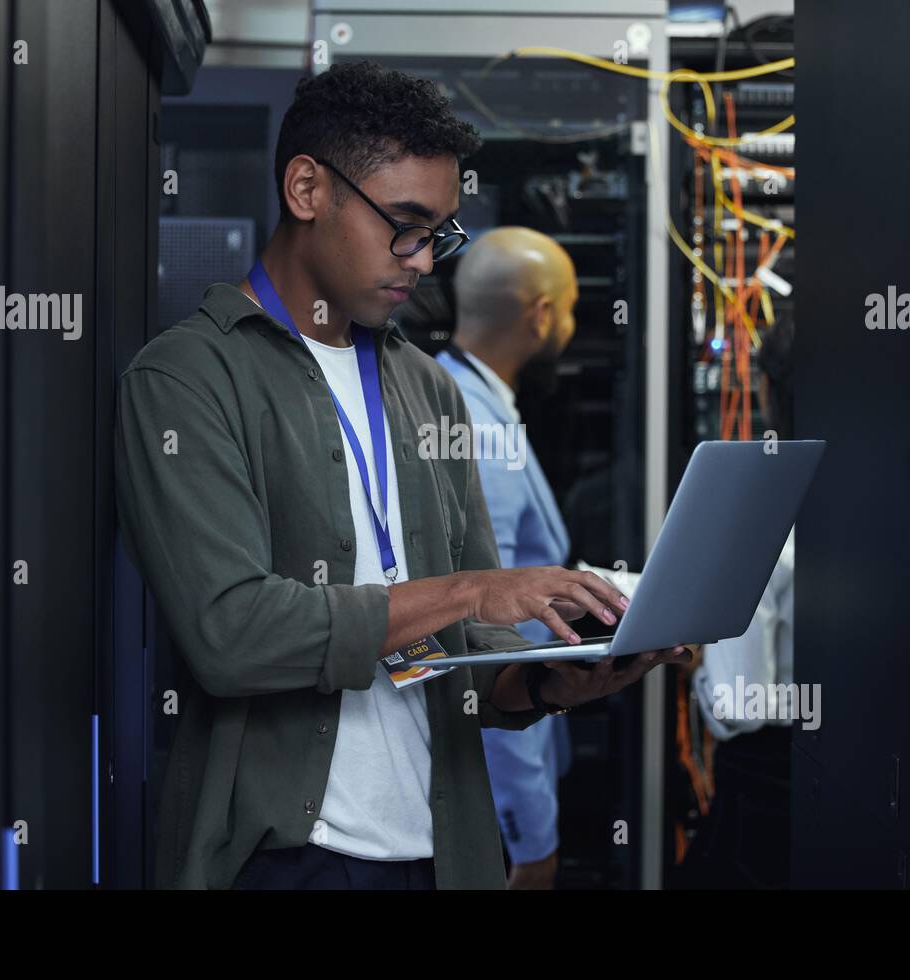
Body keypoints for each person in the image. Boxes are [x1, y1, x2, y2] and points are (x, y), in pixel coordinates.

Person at [113, 60, 696, 891]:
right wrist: (469, 593)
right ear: (308, 189)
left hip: (442, 855)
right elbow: (230, 636)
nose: (424, 261)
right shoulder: (187, 380)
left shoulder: (426, 388)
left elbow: (449, 663)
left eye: (441, 233)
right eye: (406, 225)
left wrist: (551, 679)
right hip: (286, 864)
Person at [435, 227, 579, 889]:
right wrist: (531, 835)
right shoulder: (479, 433)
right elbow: (490, 644)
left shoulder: (462, 403)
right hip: (494, 794)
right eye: (572, 310)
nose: (573, 327)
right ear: (541, 315)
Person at [679, 315, 796, 889]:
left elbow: (738, 705)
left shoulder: (754, 516)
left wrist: (698, 655)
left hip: (773, 800)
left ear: (770, 391)